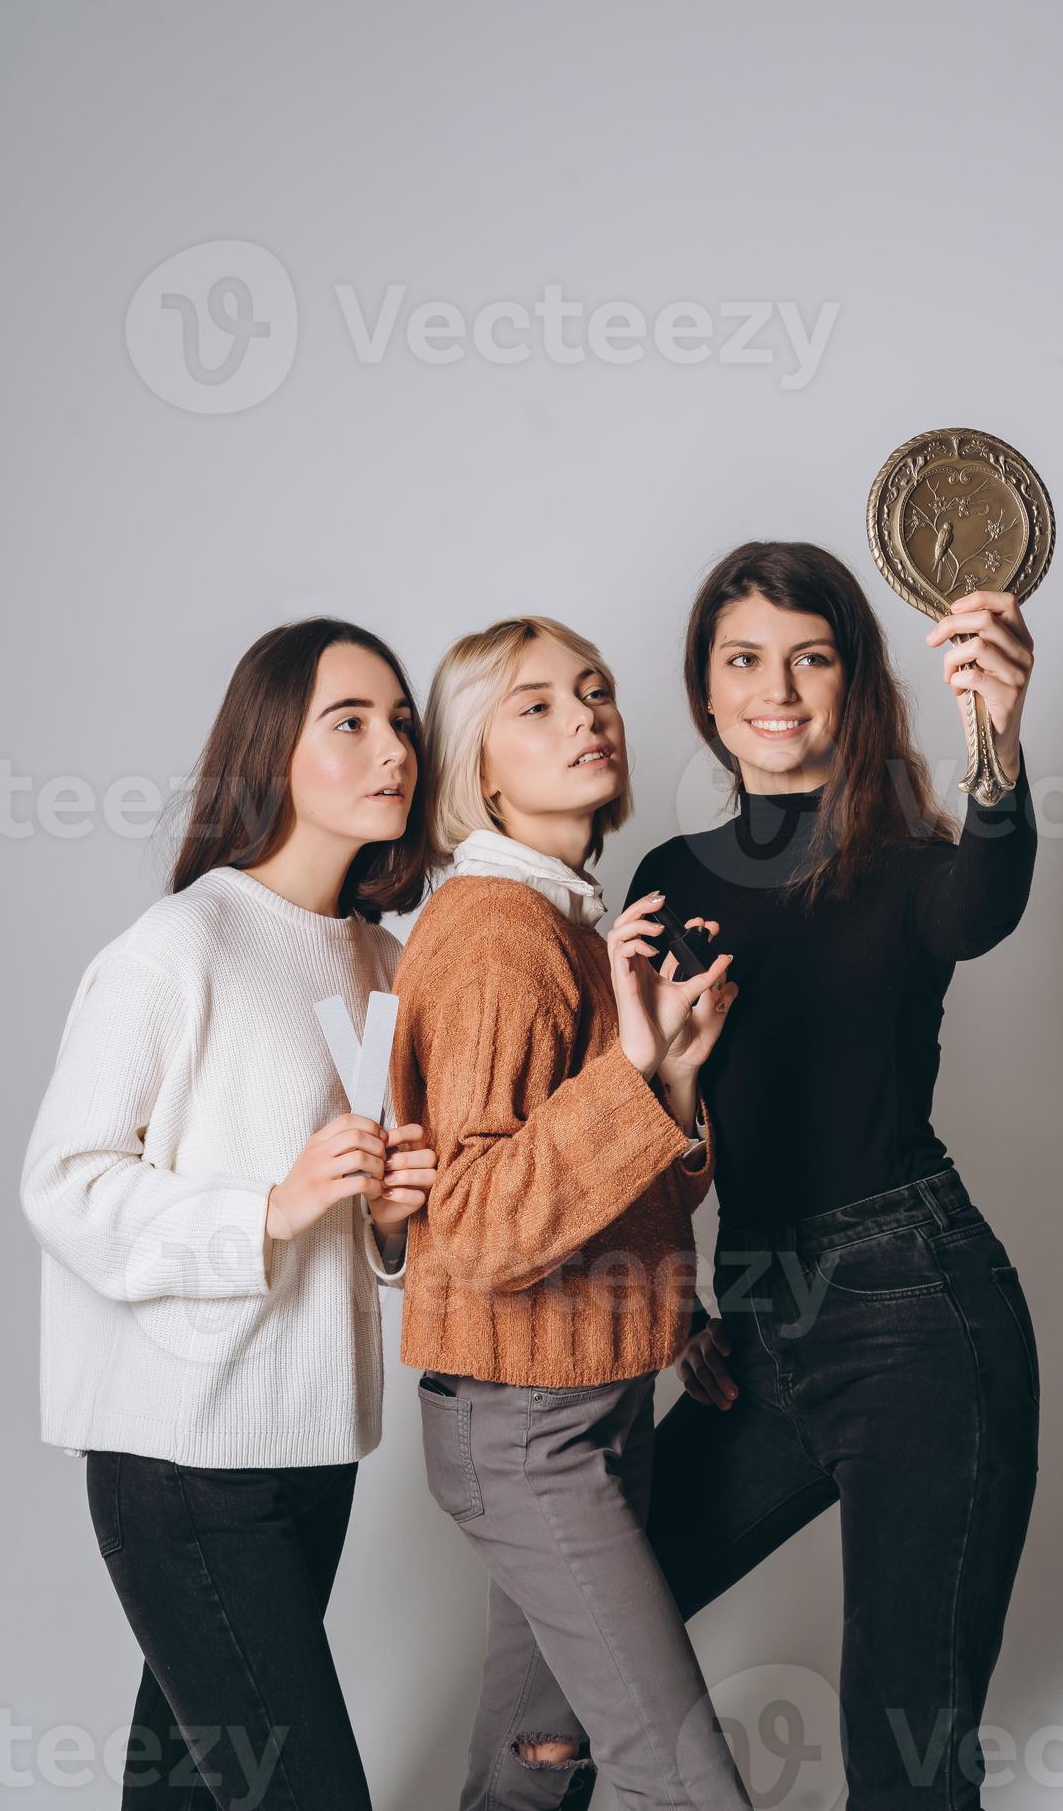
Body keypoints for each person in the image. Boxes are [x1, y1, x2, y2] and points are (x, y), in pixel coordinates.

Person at [517, 544, 1043, 1811]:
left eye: (811, 657)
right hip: (757, 1329)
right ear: (704, 689)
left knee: (903, 1750)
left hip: (919, 1320)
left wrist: (999, 746)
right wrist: (689, 1303)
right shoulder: (667, 881)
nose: (778, 689)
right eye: (743, 658)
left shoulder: (916, 863)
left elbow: (986, 900)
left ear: (853, 682)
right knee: (563, 1676)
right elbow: (649, 1121)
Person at [20, 617, 439, 1810]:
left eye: (400, 723)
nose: (390, 749)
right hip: (181, 1455)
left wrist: (389, 1219)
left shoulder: (383, 960)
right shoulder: (180, 943)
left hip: (314, 1444)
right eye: (348, 723)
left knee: (196, 1788)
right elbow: (64, 1180)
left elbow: (363, 1226)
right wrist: (273, 1200)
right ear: (272, 749)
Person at [389, 614, 755, 1810]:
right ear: (474, 767)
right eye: (534, 703)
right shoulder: (499, 934)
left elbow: (608, 1185)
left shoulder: (567, 921)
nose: (584, 714)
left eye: (592, 690)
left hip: (589, 1407)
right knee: (682, 1780)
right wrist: (630, 1080)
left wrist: (674, 1077)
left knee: (533, 1769)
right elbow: (484, 1224)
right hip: (528, 1433)